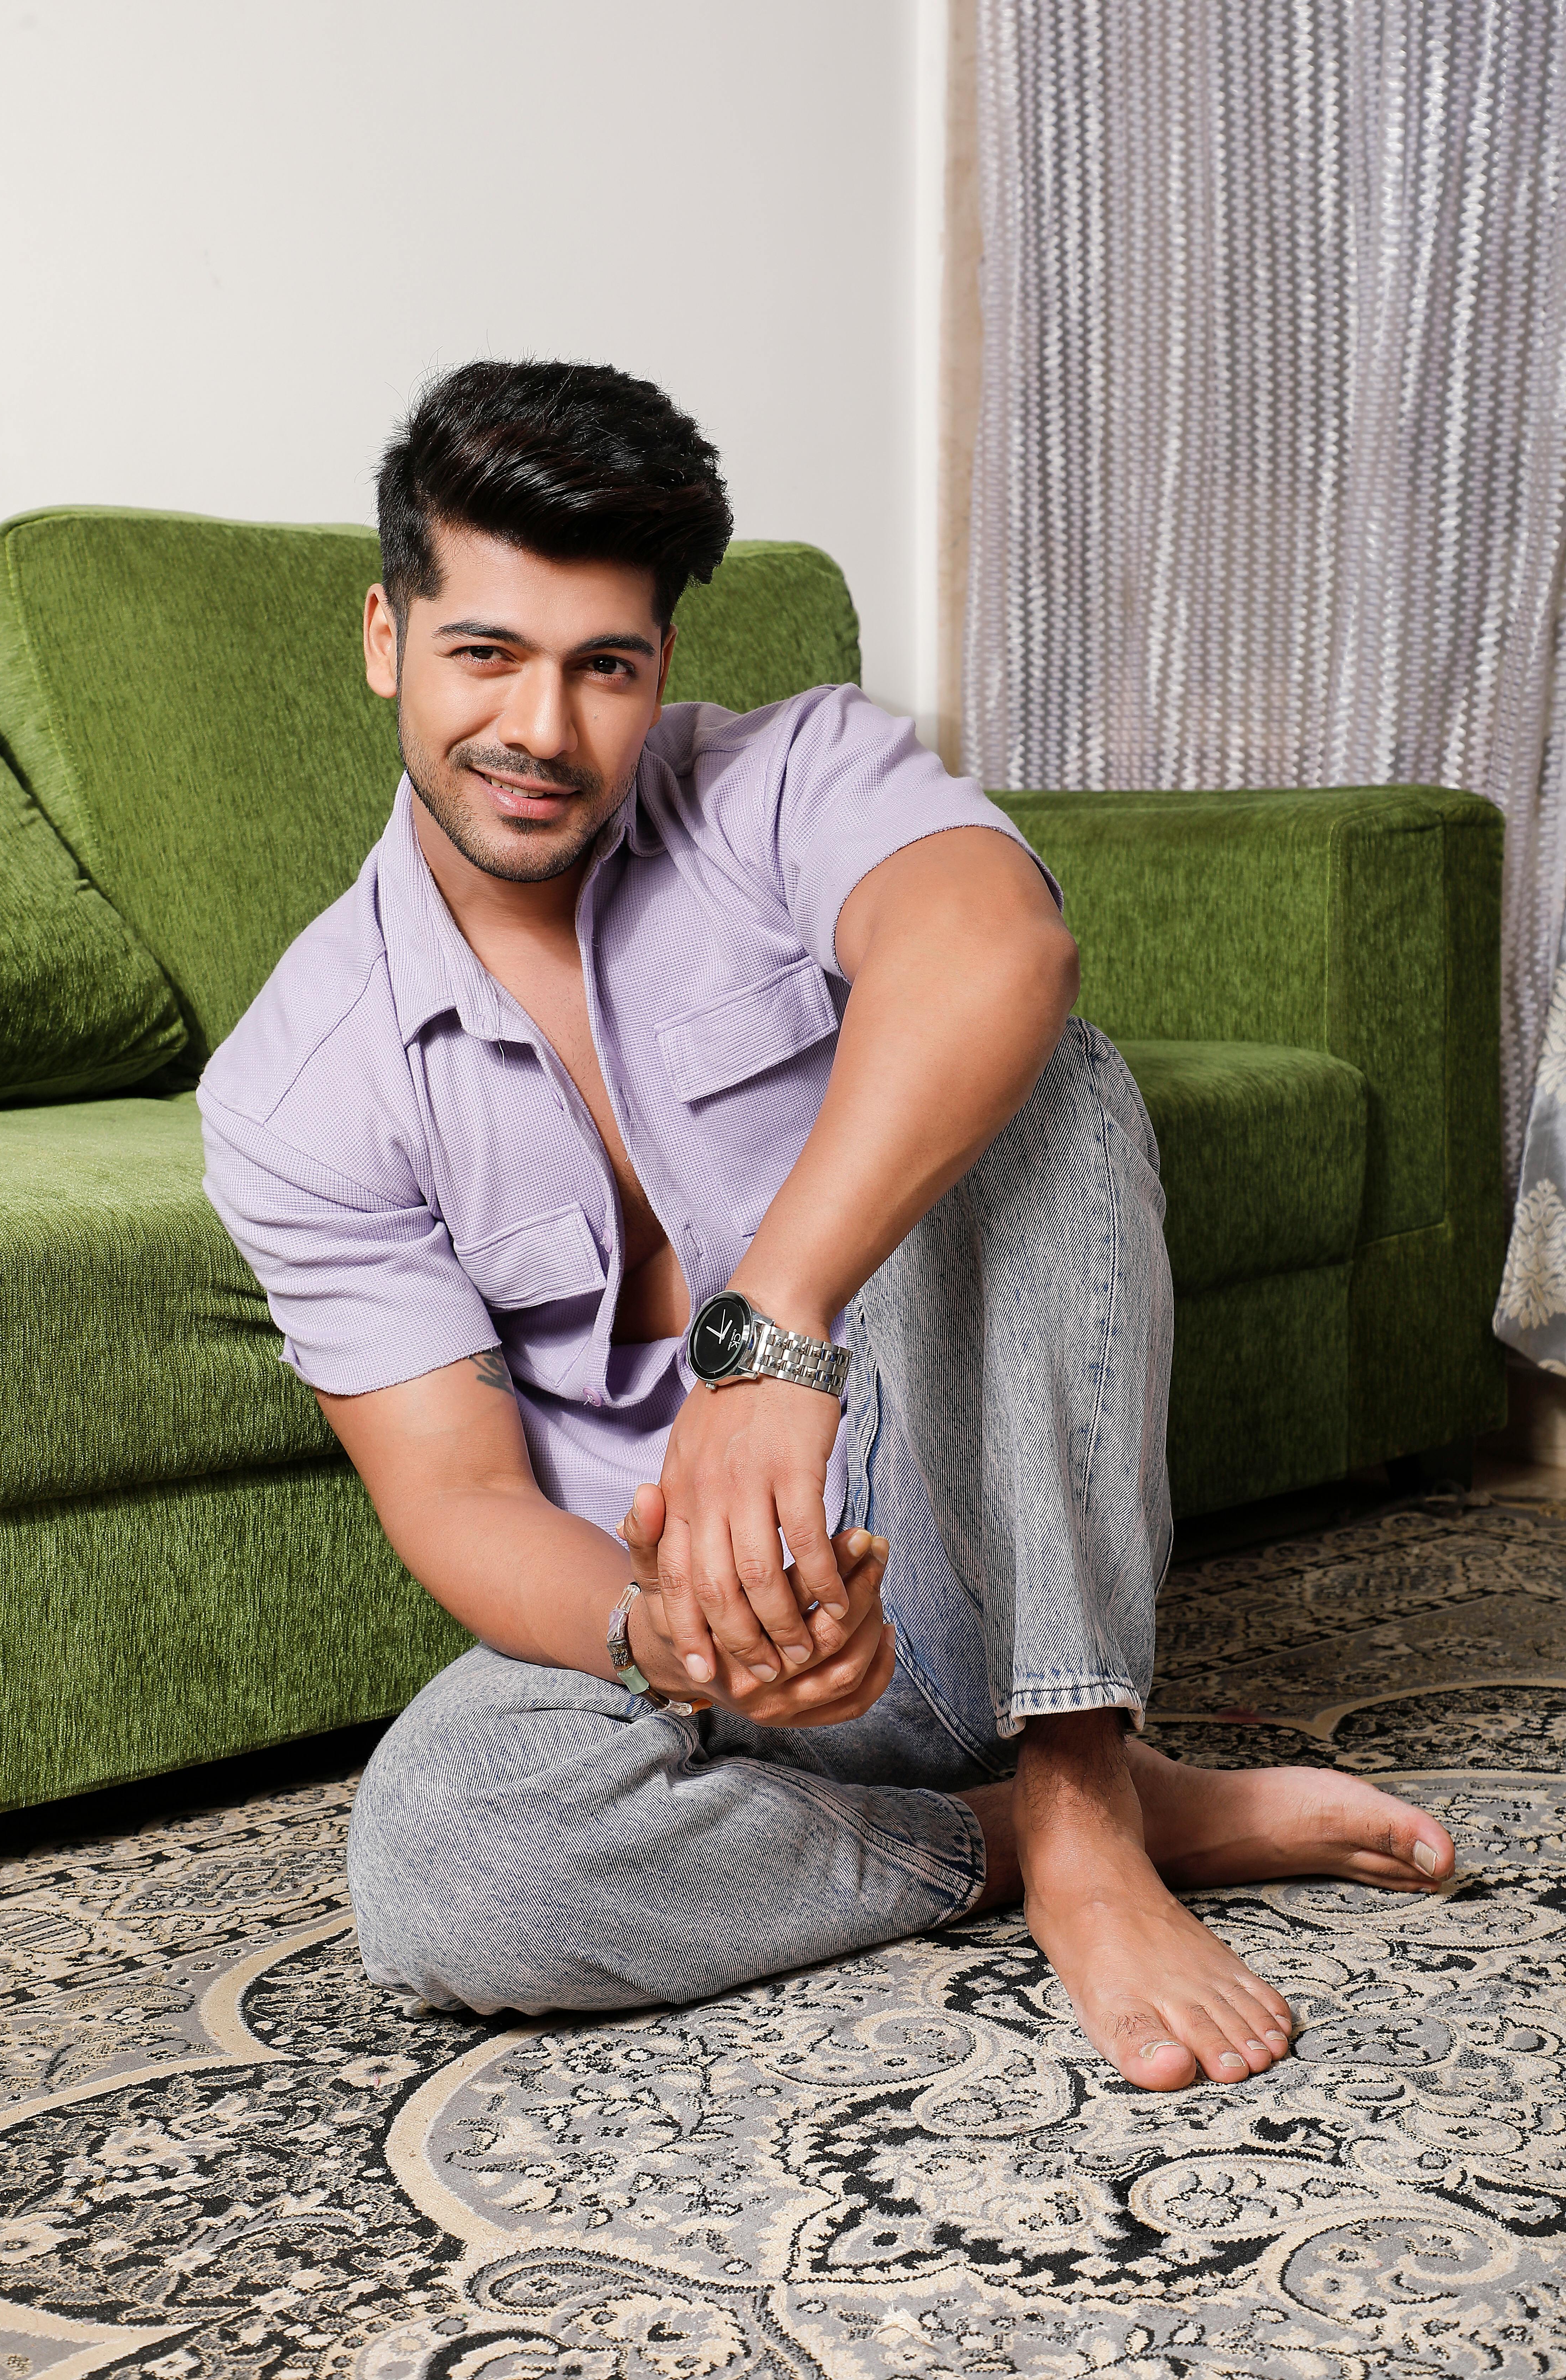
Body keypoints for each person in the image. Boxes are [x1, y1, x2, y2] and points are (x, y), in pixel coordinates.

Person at [199, 358, 1455, 2092]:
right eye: (486, 653)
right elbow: (464, 1497)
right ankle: (1019, 1839)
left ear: (661, 672)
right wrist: (673, 1636)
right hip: (701, 1655)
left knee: (1048, 1081)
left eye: (603, 668)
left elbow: (996, 955)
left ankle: (1092, 1802)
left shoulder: (791, 777)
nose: (542, 732)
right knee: (443, 1859)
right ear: (385, 639)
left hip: (958, 1547)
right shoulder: (295, 1085)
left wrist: (772, 1332)